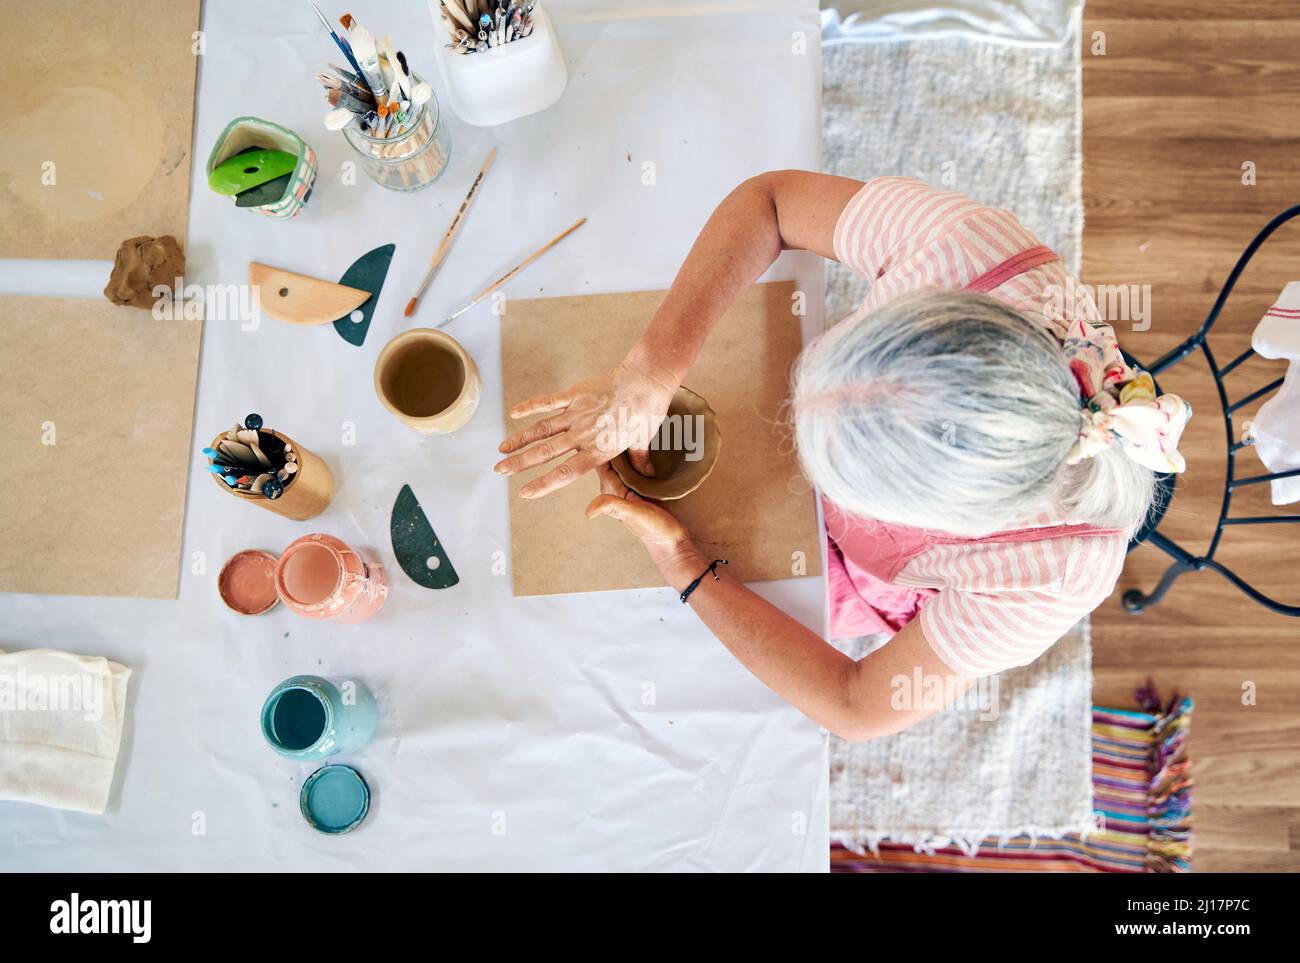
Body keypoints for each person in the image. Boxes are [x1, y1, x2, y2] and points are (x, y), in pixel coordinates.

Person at [494, 172, 1190, 741]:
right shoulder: (972, 247)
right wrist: (652, 367)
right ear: (924, 310)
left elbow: (855, 704)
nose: (790, 442)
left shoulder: (1051, 574)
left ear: (946, 516)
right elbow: (768, 202)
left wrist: (685, 563)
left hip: (865, 570)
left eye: (835, 469)